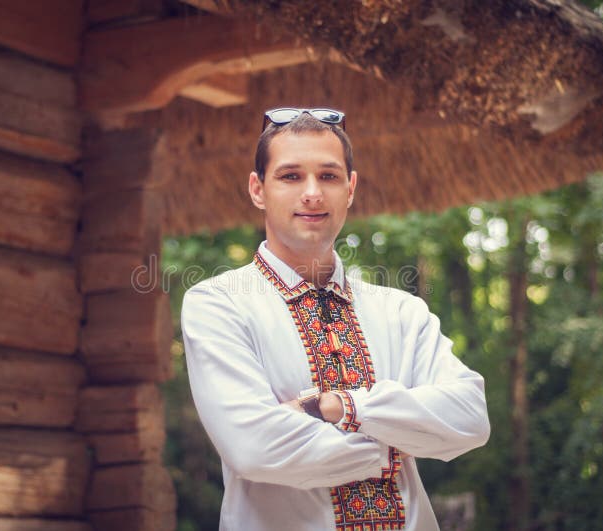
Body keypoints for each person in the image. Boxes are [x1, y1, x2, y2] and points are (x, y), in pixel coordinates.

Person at [181, 107, 490, 531]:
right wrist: (396, 442)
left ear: (350, 188)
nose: (312, 193)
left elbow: (470, 416)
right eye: (290, 176)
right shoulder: (219, 304)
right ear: (258, 189)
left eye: (328, 176)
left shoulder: (401, 311)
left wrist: (337, 406)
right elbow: (253, 447)